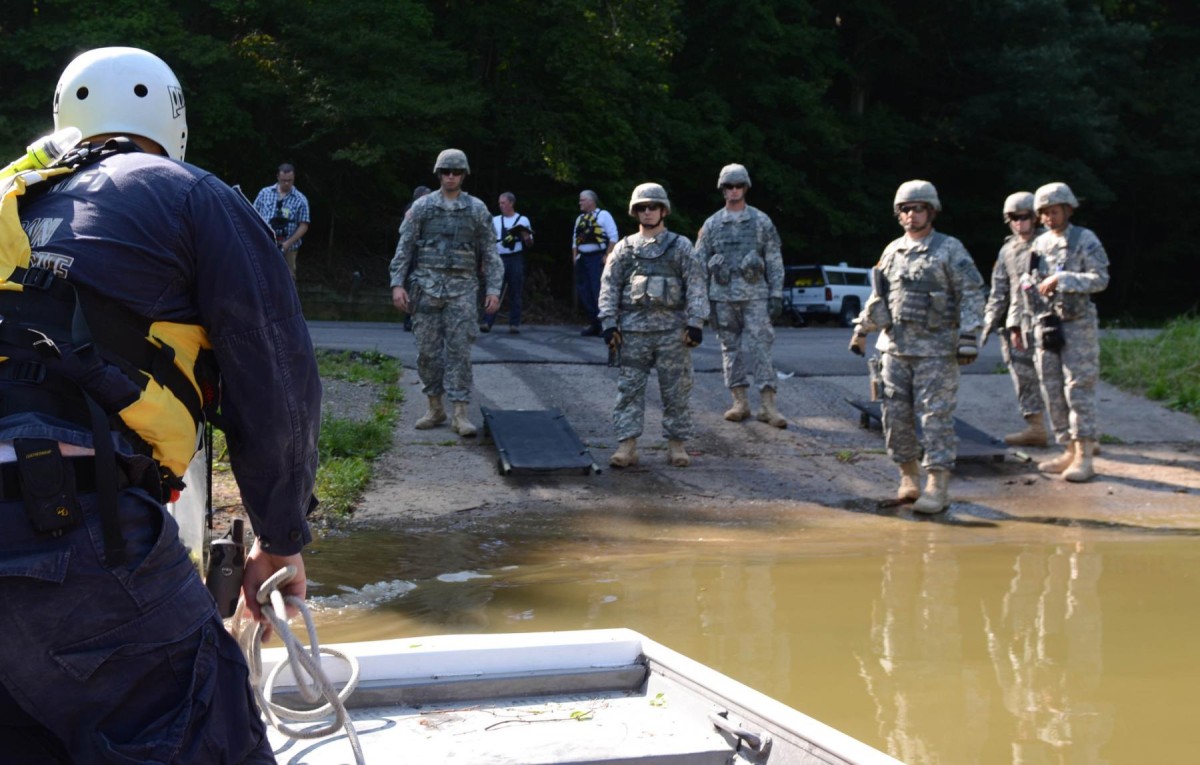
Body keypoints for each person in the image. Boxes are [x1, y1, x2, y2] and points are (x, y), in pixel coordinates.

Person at [3, 47, 320, 763]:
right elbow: (273, 373)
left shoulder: (11, 200)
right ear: (171, 122)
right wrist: (281, 536)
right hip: (73, 528)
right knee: (207, 733)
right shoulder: (189, 194)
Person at [849, 180, 985, 513]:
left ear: (931, 211)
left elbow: (971, 292)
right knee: (894, 417)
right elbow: (880, 296)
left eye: (918, 208)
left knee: (935, 417)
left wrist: (969, 336)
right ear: (899, 215)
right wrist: (862, 329)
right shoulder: (892, 250)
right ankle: (908, 479)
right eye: (906, 209)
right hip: (895, 349)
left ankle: (937, 486)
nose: (911, 215)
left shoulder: (949, 249)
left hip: (936, 351)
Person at [390, 149, 502, 437]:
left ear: (464, 175)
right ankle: (434, 407)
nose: (450, 177)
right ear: (438, 174)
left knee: (460, 352)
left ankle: (460, 412)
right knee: (428, 353)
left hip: (463, 290)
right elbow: (404, 247)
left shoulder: (476, 209)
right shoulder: (423, 207)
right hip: (426, 288)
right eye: (445, 172)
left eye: (456, 172)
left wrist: (493, 289)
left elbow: (490, 252)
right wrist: (397, 284)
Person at [597, 183, 707, 468]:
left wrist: (695, 323)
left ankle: (676, 445)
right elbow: (608, 285)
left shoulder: (680, 246)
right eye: (641, 208)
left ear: (663, 210)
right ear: (635, 212)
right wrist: (609, 323)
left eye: (652, 207)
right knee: (629, 390)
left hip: (672, 332)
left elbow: (695, 284)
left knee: (676, 390)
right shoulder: (624, 248)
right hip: (633, 332)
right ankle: (627, 445)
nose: (647, 212)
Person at [1022, 182, 1110, 482]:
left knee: (1078, 388)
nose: (1048, 217)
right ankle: (1068, 449)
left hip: (1077, 324)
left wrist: (1064, 278)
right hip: (1047, 324)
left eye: (1053, 211)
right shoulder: (1040, 244)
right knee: (1051, 387)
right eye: (1043, 212)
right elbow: (1031, 277)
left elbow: (1100, 279)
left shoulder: (1084, 239)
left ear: (1068, 210)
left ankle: (1085, 453)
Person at [694, 163, 787, 428]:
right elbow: (698, 264)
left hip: (755, 295)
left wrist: (777, 293)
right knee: (730, 350)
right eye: (728, 187)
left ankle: (768, 406)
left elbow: (773, 258)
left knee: (761, 347)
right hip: (722, 297)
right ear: (722, 190)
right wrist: (698, 301)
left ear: (745, 188)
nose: (733, 191)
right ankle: (739, 402)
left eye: (738, 186)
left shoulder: (760, 221)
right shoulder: (711, 224)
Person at [983, 192, 1049, 447]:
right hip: (1017, 325)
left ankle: (1077, 435)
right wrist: (987, 324)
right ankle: (1036, 427)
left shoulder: (1050, 244)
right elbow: (998, 290)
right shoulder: (1007, 250)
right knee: (1023, 377)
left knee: (1058, 379)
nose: (1019, 223)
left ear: (1035, 218)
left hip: (1048, 321)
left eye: (1024, 217)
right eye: (1013, 218)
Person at [483, 191, 533, 334]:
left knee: (515, 291)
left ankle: (514, 324)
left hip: (515, 258)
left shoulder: (523, 220)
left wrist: (526, 237)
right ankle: (487, 321)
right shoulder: (495, 220)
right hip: (498, 258)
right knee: (493, 290)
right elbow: (489, 242)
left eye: (503, 203)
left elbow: (530, 244)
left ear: (511, 203)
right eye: (499, 203)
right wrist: (486, 261)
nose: (501, 206)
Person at [253, 162, 311, 281]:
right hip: (265, 242)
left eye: (289, 180)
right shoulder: (264, 193)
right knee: (262, 274)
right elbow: (253, 214)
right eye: (284, 180)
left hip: (289, 247)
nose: (286, 183)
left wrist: (288, 243)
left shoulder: (300, 199)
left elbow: (304, 225)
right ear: (278, 177)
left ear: (294, 178)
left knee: (288, 277)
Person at [573, 189, 619, 336]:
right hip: (583, 258)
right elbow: (574, 241)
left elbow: (613, 236)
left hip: (597, 258)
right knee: (584, 291)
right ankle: (594, 322)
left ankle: (604, 324)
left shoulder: (603, 215)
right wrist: (575, 258)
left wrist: (608, 256)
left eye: (582, 200)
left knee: (598, 291)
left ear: (591, 201)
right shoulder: (580, 219)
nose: (580, 202)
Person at [401, 185, 432, 333]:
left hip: (423, 252)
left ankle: (416, 320)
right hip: (415, 253)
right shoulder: (413, 209)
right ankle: (409, 320)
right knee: (414, 287)